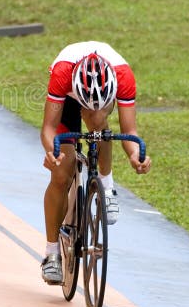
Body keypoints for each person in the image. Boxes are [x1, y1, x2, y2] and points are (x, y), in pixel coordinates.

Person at [39, 41, 152, 285]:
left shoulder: (123, 76)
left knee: (98, 119)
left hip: (101, 97)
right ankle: (51, 254)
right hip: (68, 97)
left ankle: (106, 184)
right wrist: (53, 152)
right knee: (61, 172)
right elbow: (48, 128)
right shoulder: (63, 73)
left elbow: (129, 130)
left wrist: (135, 155)